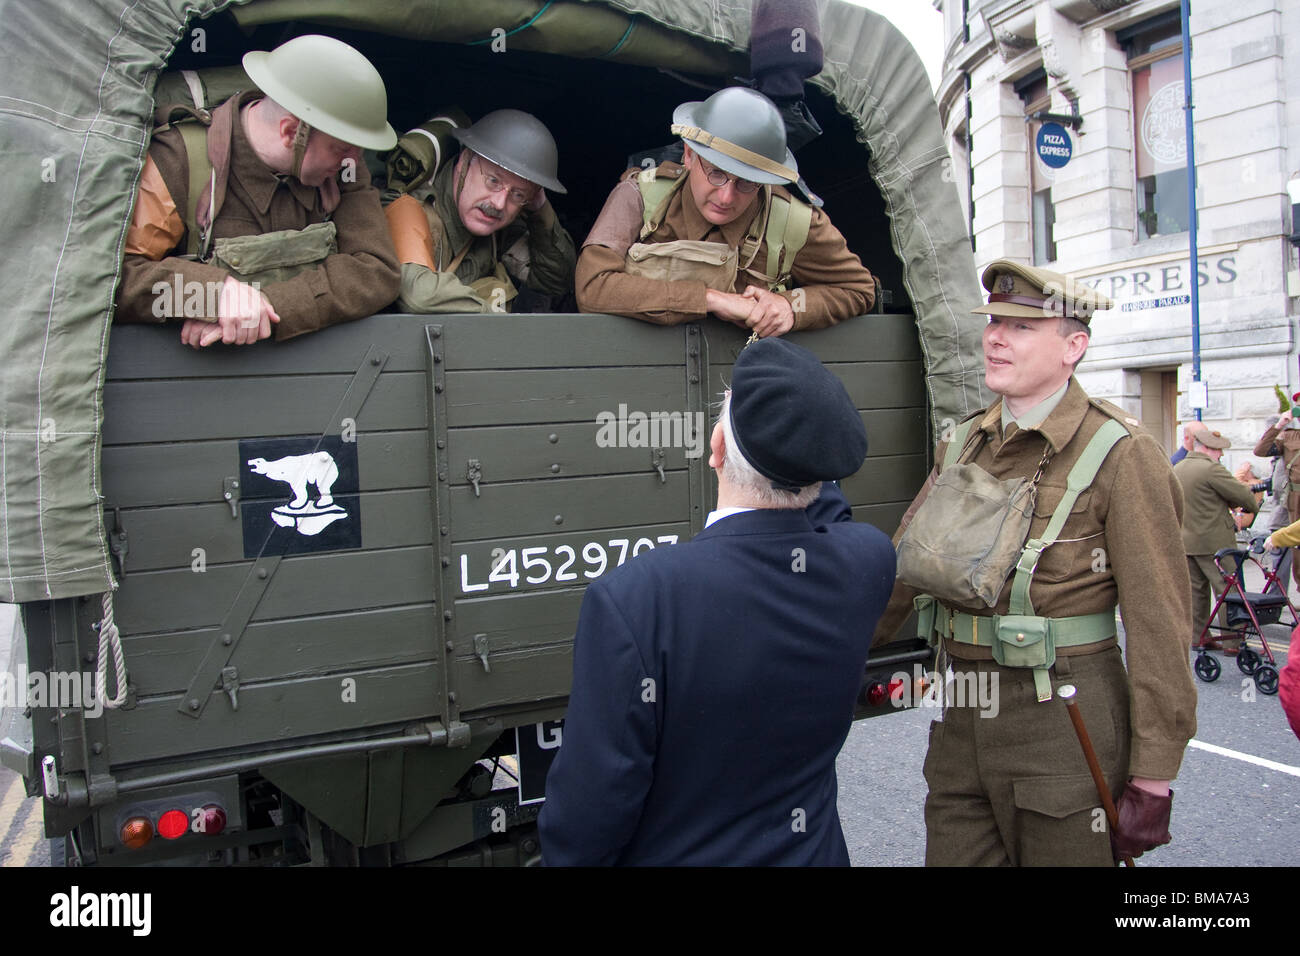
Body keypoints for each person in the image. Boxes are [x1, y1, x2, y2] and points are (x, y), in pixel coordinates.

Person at [874, 258, 1197, 867]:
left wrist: (1154, 776)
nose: (995, 336)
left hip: (1063, 726)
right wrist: (830, 661)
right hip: (963, 718)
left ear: (1074, 346)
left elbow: (1160, 621)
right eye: (994, 321)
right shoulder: (965, 439)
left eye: (1021, 327)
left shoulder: (1122, 454)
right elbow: (903, 570)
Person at [538, 337, 895, 865]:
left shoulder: (634, 601)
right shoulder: (868, 562)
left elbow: (588, 816)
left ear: (716, 448)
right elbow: (827, 509)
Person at [115, 35, 402, 345]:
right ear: (291, 132)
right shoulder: (179, 161)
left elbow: (377, 272)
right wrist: (209, 295)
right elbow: (116, 283)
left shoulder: (341, 167)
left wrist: (266, 305)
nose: (354, 161)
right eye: (342, 148)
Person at [574, 86, 876, 337]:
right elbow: (592, 286)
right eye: (716, 174)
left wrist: (789, 307)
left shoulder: (793, 221)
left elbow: (859, 289)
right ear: (690, 155)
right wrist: (712, 299)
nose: (726, 196)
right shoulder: (640, 195)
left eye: (747, 183)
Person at [383, 110, 576, 314]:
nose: (500, 203)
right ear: (464, 163)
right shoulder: (409, 207)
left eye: (518, 195)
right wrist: (493, 318)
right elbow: (419, 296)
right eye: (493, 181)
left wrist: (539, 208)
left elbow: (555, 281)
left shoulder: (496, 226)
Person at [1174, 428, 1259, 647]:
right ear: (1207, 448)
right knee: (1227, 591)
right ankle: (1233, 643)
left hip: (1187, 542)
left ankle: (1199, 637)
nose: (1221, 455)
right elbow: (1242, 496)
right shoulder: (1211, 469)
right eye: (1219, 450)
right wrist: (1252, 504)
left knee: (1196, 594)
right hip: (1215, 543)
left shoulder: (1179, 467)